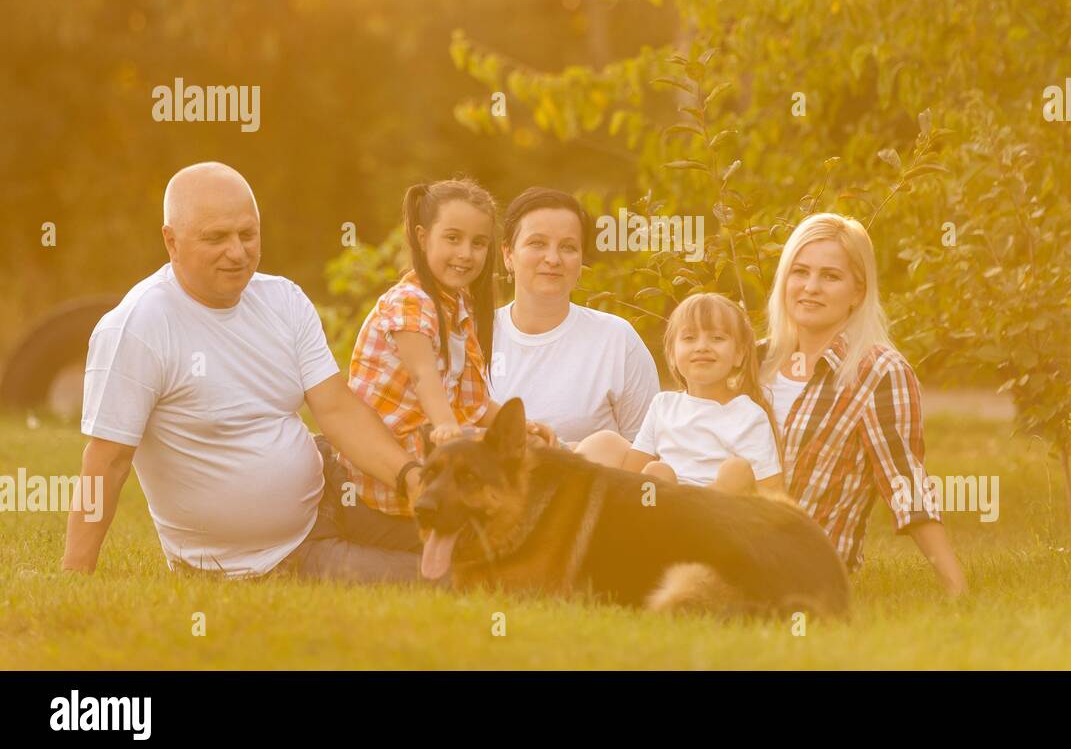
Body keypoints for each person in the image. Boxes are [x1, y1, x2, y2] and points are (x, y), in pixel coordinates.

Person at [62, 162, 427, 582]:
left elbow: (339, 411)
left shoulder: (283, 300)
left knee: (465, 534)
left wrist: (409, 477)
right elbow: (106, 463)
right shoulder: (139, 327)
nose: (237, 252)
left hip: (333, 488)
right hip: (269, 558)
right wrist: (76, 575)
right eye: (216, 237)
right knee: (438, 576)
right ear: (171, 241)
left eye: (247, 234)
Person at [336, 177, 555, 551]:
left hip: (431, 442)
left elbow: (472, 401)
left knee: (533, 461)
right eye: (452, 238)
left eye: (478, 243)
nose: (466, 254)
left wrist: (522, 427)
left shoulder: (458, 305)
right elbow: (424, 377)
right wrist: (447, 429)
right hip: (395, 462)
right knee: (493, 487)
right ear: (422, 238)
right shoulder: (410, 301)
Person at [759, 212, 967, 596]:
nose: (811, 287)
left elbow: (905, 481)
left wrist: (954, 584)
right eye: (800, 272)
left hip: (803, 567)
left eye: (830, 276)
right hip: (726, 537)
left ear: (858, 292)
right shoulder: (752, 364)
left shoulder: (877, 371)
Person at [489, 187, 659, 447]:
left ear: (581, 260)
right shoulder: (474, 335)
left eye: (568, 247)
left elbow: (649, 452)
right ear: (508, 254)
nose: (553, 259)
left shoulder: (616, 339)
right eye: (537, 243)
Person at [575, 293, 783, 495]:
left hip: (717, 515)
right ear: (672, 354)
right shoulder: (663, 405)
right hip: (669, 509)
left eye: (717, 338)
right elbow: (633, 470)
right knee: (652, 469)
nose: (702, 347)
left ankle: (694, 512)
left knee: (736, 471)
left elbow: (771, 490)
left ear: (739, 354)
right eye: (689, 338)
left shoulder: (748, 415)